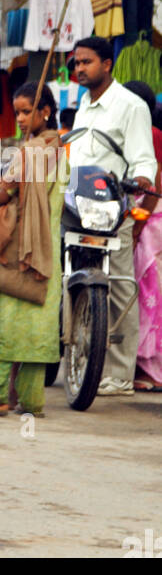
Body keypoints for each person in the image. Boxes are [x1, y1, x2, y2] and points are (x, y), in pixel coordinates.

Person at [0, 82, 64, 418]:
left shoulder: (31, 151)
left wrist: (6, 181)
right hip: (47, 254)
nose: (19, 118)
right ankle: (29, 401)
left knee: (3, 323)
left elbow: (5, 194)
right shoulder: (59, 149)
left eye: (26, 111)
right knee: (35, 328)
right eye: (17, 111)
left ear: (44, 111)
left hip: (19, 251)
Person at [68, 37, 157, 395]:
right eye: (76, 63)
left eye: (86, 62)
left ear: (107, 64)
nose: (79, 69)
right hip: (77, 205)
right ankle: (71, 357)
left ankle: (119, 374)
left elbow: (144, 158)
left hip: (113, 208)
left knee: (119, 284)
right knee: (68, 276)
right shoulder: (83, 106)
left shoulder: (131, 106)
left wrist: (142, 179)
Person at [121, 80, 162, 391]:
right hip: (140, 215)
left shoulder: (151, 135)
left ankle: (149, 369)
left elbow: (154, 186)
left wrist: (138, 225)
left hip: (148, 218)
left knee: (145, 292)